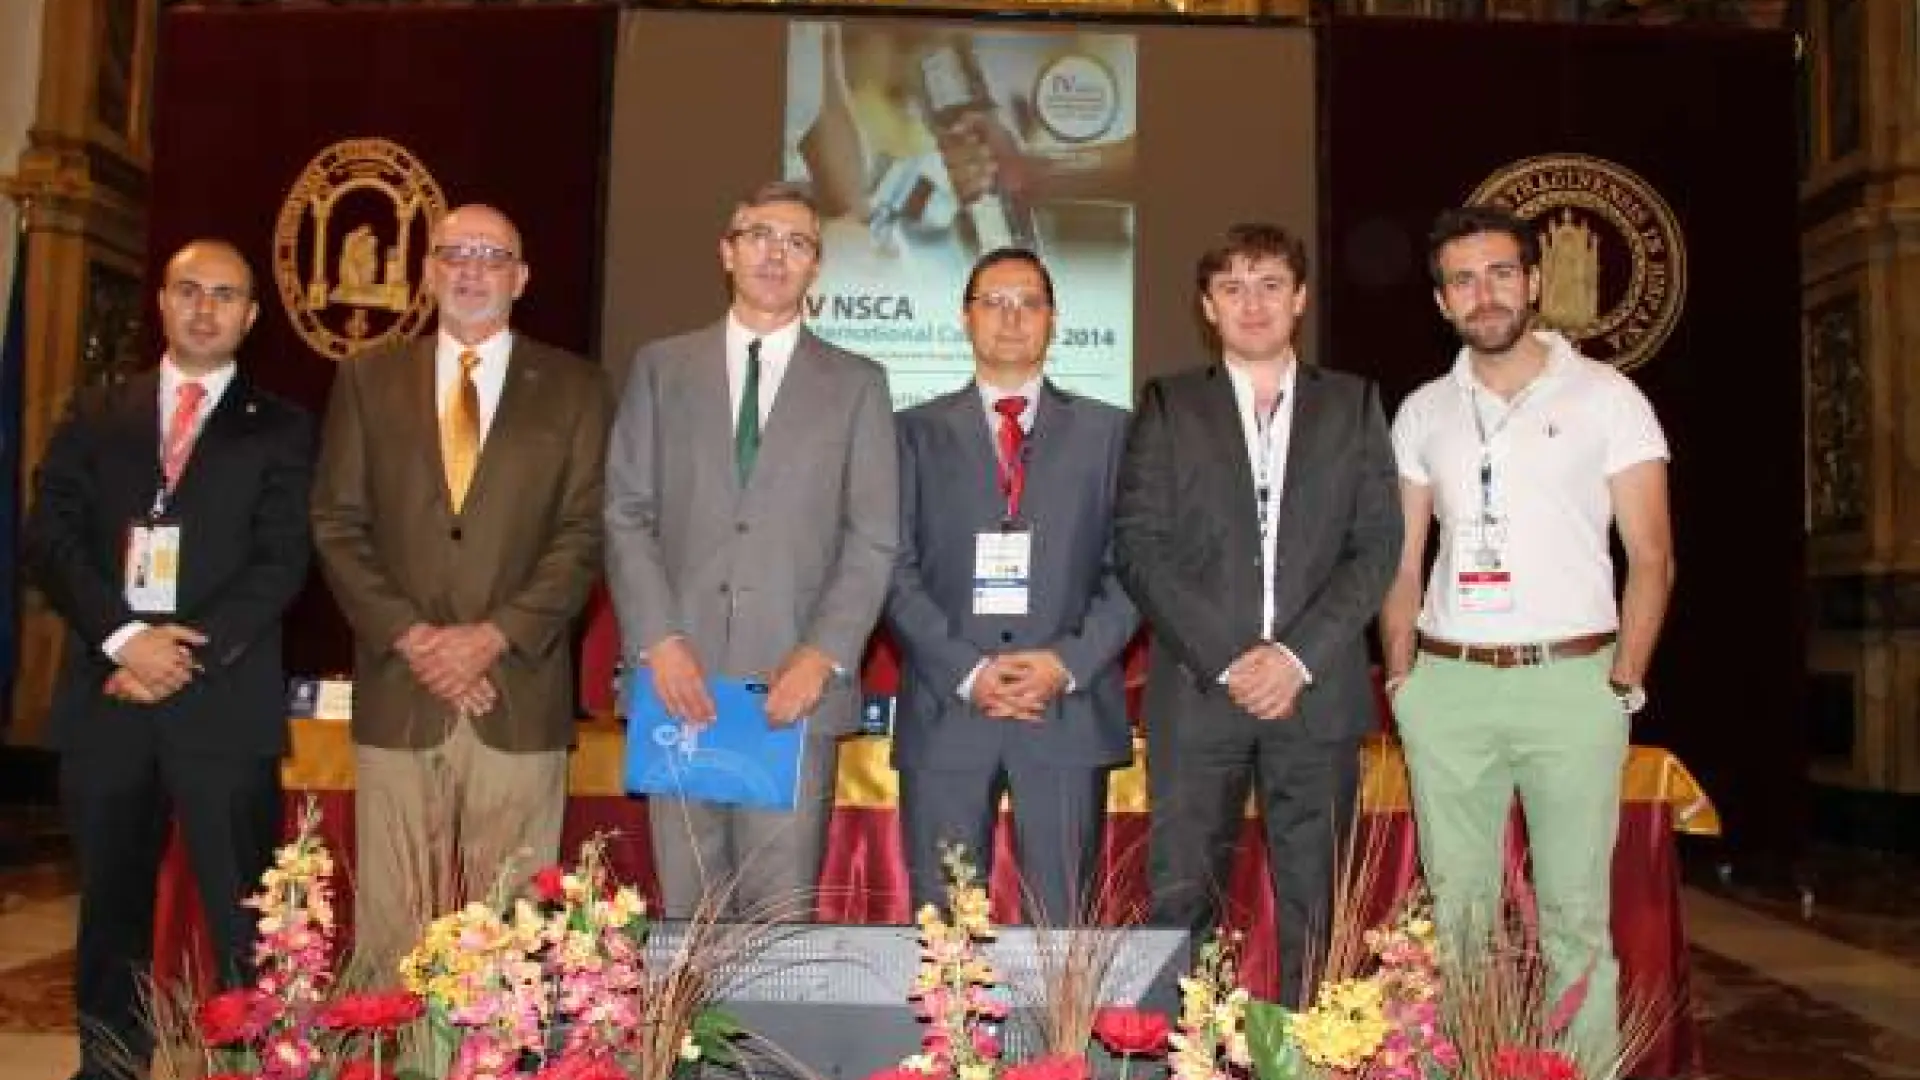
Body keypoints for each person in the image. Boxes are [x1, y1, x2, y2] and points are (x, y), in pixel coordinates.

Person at [1379, 205, 1674, 1070]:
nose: (1485, 293)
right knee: (1457, 917)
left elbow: (1652, 557)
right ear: (1441, 301)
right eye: (1463, 280)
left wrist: (1622, 680)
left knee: (1575, 918)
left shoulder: (1609, 397)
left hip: (1572, 683)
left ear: (1535, 281)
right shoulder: (1424, 410)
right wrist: (1404, 681)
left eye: (1501, 273)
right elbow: (1402, 562)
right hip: (1450, 685)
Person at [26, 240, 314, 1079]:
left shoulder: (284, 427)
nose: (204, 308)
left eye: (225, 296)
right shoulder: (94, 412)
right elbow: (52, 538)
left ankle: (254, 1064)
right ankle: (110, 1063)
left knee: (242, 916)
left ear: (251, 317)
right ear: (160, 302)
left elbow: (282, 559)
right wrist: (124, 638)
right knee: (110, 911)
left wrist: (183, 653)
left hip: (222, 702)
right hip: (109, 697)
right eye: (189, 290)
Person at [310, 204, 611, 970]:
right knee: (391, 935)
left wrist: (490, 638)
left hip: (517, 691)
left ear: (522, 277)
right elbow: (338, 523)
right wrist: (417, 641)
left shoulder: (578, 388)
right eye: (455, 253)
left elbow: (586, 533)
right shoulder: (368, 379)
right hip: (399, 690)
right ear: (429, 269)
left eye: (492, 255)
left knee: (510, 938)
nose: (472, 269)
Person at [1113, 223, 1401, 1008]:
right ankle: (1184, 1057)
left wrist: (1293, 658)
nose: (1253, 302)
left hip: (1316, 693)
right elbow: (1140, 545)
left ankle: (1309, 1059)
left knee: (1319, 909)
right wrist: (1233, 658)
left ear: (1300, 298)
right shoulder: (1171, 404)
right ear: (1207, 306)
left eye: (1271, 283)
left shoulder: (1355, 403)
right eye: (1232, 286)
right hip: (1201, 693)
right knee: (1180, 903)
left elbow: (1377, 546)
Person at [605, 181, 898, 918]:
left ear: (816, 268)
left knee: (776, 927)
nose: (776, 253)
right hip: (682, 685)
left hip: (790, 696)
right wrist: (658, 642)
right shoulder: (661, 369)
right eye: (760, 235)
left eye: (797, 242)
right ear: (727, 252)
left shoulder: (859, 385)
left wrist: (822, 654)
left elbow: (874, 536)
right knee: (689, 921)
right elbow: (625, 513)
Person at [885, 248, 1137, 920]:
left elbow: (1135, 569)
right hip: (949, 712)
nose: (1011, 317)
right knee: (943, 934)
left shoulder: (1113, 432)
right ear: (965, 318)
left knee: (1061, 937)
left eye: (1028, 302)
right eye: (993, 301)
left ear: (1053, 320)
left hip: (1065, 713)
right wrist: (967, 670)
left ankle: (1053, 1034)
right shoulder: (909, 432)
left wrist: (1066, 663)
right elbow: (891, 566)